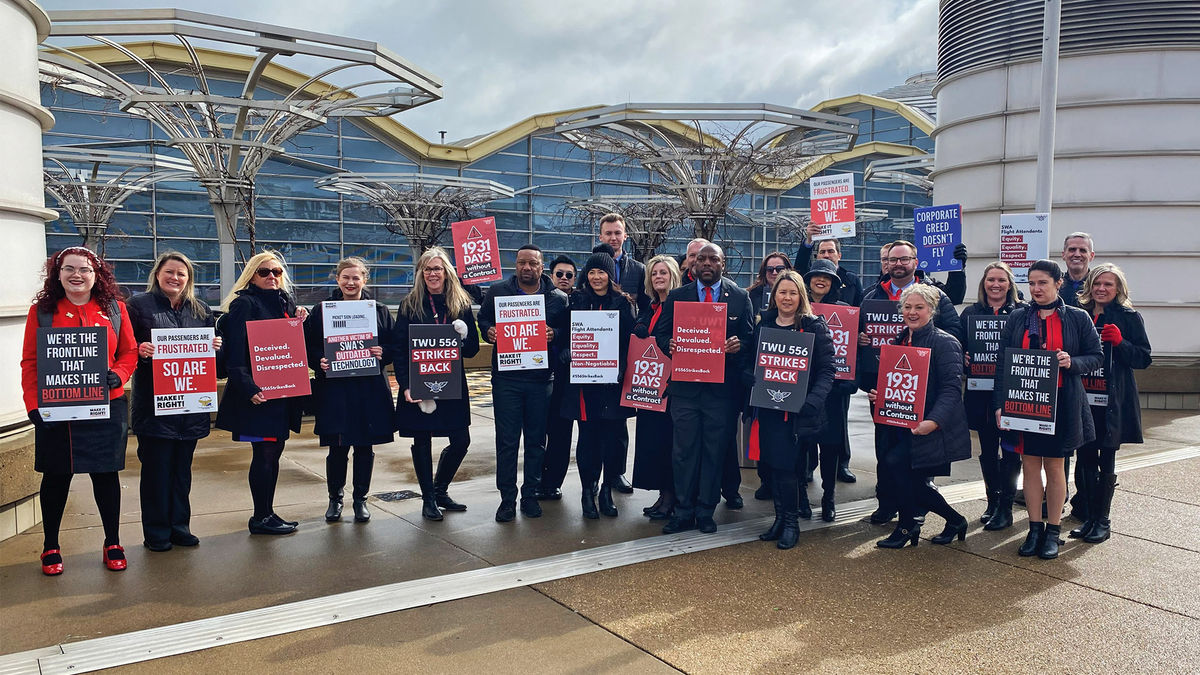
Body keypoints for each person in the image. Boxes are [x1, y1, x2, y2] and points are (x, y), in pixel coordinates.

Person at [21, 247, 137, 575]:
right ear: (57, 274)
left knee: (106, 475)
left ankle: (112, 541)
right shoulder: (42, 312)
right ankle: (50, 545)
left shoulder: (114, 309)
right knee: (56, 476)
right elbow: (30, 361)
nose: (77, 275)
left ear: (97, 275)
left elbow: (129, 351)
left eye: (85, 269)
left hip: (106, 406)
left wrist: (120, 374)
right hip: (58, 408)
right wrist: (33, 405)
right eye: (69, 269)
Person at [992, 259, 1103, 560]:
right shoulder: (1018, 317)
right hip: (1024, 402)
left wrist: (1072, 362)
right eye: (1032, 283)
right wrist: (1000, 404)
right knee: (1029, 466)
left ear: (1058, 283)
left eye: (1042, 283)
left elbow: (1096, 356)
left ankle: (1053, 530)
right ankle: (1034, 529)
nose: (1036, 289)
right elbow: (1003, 362)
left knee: (1055, 467)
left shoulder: (1077, 317)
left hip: (1062, 403)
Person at [652, 243, 754, 534]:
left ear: (723, 263)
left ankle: (706, 510)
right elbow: (661, 333)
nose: (707, 263)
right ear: (693, 264)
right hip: (685, 390)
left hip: (721, 392)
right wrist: (669, 344)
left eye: (713, 259)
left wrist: (739, 345)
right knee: (683, 452)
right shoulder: (677, 296)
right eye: (701, 258)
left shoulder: (739, 297)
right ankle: (683, 511)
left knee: (714, 452)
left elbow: (749, 337)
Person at [859, 240, 963, 524]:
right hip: (887, 394)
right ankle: (890, 505)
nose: (898, 264)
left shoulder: (937, 298)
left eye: (904, 259)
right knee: (888, 455)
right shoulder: (871, 296)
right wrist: (860, 340)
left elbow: (954, 335)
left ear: (915, 262)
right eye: (893, 259)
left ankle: (915, 515)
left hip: (926, 400)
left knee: (914, 463)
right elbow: (856, 335)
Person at [128, 251, 221, 551]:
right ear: (157, 274)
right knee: (156, 473)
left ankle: (180, 528)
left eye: (182, 273)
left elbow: (213, 363)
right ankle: (156, 533)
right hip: (154, 407)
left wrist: (216, 346)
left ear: (189, 279)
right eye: (170, 272)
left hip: (190, 408)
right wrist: (139, 350)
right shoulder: (138, 306)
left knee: (182, 473)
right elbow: (122, 349)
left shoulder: (201, 309)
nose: (175, 278)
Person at [869, 284, 972, 548]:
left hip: (930, 427)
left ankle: (908, 526)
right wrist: (881, 395)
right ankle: (952, 520)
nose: (912, 312)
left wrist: (933, 422)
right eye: (907, 307)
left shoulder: (945, 342)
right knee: (906, 475)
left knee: (899, 467)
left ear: (932, 310)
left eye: (919, 307)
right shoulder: (899, 340)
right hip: (902, 423)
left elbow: (951, 389)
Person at [215, 251, 309, 536]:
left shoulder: (285, 302)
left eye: (276, 272)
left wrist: (301, 319)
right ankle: (260, 517)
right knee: (265, 454)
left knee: (274, 451)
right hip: (259, 396)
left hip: (282, 392)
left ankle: (268, 513)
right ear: (252, 276)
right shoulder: (244, 304)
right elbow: (235, 353)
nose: (271, 277)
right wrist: (248, 387)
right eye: (264, 272)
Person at [477, 244, 569, 522]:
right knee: (507, 442)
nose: (526, 268)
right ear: (515, 265)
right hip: (507, 379)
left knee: (536, 441)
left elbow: (569, 330)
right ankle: (507, 498)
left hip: (541, 380)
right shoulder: (498, 291)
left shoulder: (558, 298)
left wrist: (555, 333)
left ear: (542, 267)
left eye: (532, 263)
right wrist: (489, 330)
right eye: (521, 263)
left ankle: (530, 495)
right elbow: (483, 318)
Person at [746, 270, 836, 548]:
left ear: (801, 296)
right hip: (768, 410)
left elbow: (827, 370)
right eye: (782, 292)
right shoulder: (764, 325)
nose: (787, 298)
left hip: (798, 413)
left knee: (787, 468)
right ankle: (779, 519)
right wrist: (749, 377)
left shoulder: (814, 326)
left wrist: (814, 400)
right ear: (774, 296)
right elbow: (752, 361)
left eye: (792, 293)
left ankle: (791, 524)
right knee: (772, 466)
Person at [304, 257, 395, 524]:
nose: (351, 282)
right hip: (336, 390)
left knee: (364, 447)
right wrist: (318, 360)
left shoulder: (378, 310)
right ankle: (335, 499)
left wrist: (383, 351)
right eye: (346, 277)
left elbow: (394, 344)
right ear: (337, 279)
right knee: (338, 448)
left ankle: (360, 499)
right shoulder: (322, 311)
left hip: (369, 389)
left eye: (356, 278)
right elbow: (308, 345)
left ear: (364, 280)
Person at [394, 248, 481, 521]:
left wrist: (462, 337)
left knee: (461, 440)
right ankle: (428, 499)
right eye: (428, 269)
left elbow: (472, 350)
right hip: (420, 383)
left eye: (438, 268)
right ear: (421, 273)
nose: (433, 274)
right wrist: (406, 385)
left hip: (451, 383)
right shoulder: (410, 304)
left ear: (446, 272)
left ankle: (440, 489)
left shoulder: (460, 303)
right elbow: (399, 350)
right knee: (422, 441)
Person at [1070, 263, 1151, 543]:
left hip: (1112, 402)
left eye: (1108, 284)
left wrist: (1121, 343)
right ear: (1089, 286)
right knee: (1085, 458)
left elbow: (1144, 358)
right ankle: (1089, 517)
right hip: (1082, 400)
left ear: (1118, 289)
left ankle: (1102, 521)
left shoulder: (1129, 317)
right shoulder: (1079, 315)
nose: (1101, 289)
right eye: (1097, 283)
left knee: (1106, 459)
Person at [559, 250, 637, 518]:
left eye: (601, 272)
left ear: (610, 275)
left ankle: (606, 490)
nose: (596, 277)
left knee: (612, 440)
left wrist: (622, 367)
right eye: (591, 272)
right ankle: (586, 490)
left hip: (612, 384)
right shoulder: (577, 301)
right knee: (588, 439)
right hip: (585, 385)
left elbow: (630, 340)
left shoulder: (622, 303)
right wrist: (566, 350)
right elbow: (565, 334)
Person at [959, 261, 1026, 532]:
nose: (995, 285)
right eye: (990, 280)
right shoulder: (970, 313)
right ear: (983, 283)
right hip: (980, 394)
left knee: (1010, 450)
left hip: (1011, 393)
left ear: (1010, 284)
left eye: (1001, 280)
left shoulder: (1022, 312)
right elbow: (958, 345)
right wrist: (963, 357)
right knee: (987, 450)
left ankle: (1006, 508)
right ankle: (992, 502)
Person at [802, 259, 860, 519]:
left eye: (826, 277)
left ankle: (829, 497)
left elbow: (854, 350)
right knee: (802, 446)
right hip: (803, 389)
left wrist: (852, 380)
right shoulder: (799, 310)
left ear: (834, 283)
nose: (821, 280)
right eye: (816, 276)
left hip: (834, 391)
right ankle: (802, 497)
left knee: (830, 447)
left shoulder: (845, 311)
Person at [632, 255, 682, 520]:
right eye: (654, 273)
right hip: (649, 387)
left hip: (671, 388)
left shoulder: (680, 306)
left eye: (663, 272)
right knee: (653, 443)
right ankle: (663, 494)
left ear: (673, 275)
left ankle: (671, 496)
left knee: (669, 443)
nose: (658, 277)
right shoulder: (651, 307)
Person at [540, 254, 578, 500]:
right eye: (559, 274)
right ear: (551, 275)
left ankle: (553, 482)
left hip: (566, 380)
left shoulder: (580, 301)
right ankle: (536, 479)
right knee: (537, 433)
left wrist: (561, 338)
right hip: (539, 377)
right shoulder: (538, 298)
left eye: (569, 275)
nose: (564, 278)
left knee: (561, 434)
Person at [793, 236, 864, 307]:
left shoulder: (851, 280)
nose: (826, 255)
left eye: (830, 251)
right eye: (822, 252)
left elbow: (860, 307)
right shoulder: (802, 301)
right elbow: (800, 267)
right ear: (817, 256)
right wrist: (809, 239)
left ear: (839, 255)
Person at [747, 251, 792, 319]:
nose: (774, 272)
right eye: (770, 269)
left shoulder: (798, 294)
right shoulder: (751, 295)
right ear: (764, 272)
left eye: (779, 269)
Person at [1060, 232, 1095, 307]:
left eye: (1083, 250)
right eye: (1072, 250)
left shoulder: (1097, 285)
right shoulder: (1054, 285)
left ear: (1091, 256)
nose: (1077, 254)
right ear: (1063, 255)